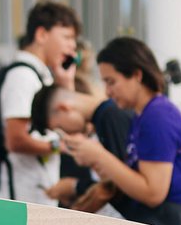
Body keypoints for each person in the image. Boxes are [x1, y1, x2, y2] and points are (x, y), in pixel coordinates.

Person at [58, 37, 181, 225]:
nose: (107, 92)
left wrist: (99, 155)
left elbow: (153, 193)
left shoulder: (157, 116)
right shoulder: (146, 114)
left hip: (162, 224)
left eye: (111, 82)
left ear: (137, 75)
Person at [0, 0, 81, 203]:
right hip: (20, 197)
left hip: (35, 193)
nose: (72, 46)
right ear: (41, 35)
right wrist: (58, 146)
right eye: (66, 37)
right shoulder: (22, 76)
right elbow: (15, 139)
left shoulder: (43, 76)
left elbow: (70, 123)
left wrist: (66, 82)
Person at [30, 84, 132, 213]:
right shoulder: (105, 118)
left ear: (64, 108)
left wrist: (76, 186)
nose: (66, 134)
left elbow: (123, 185)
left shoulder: (109, 116)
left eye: (60, 128)